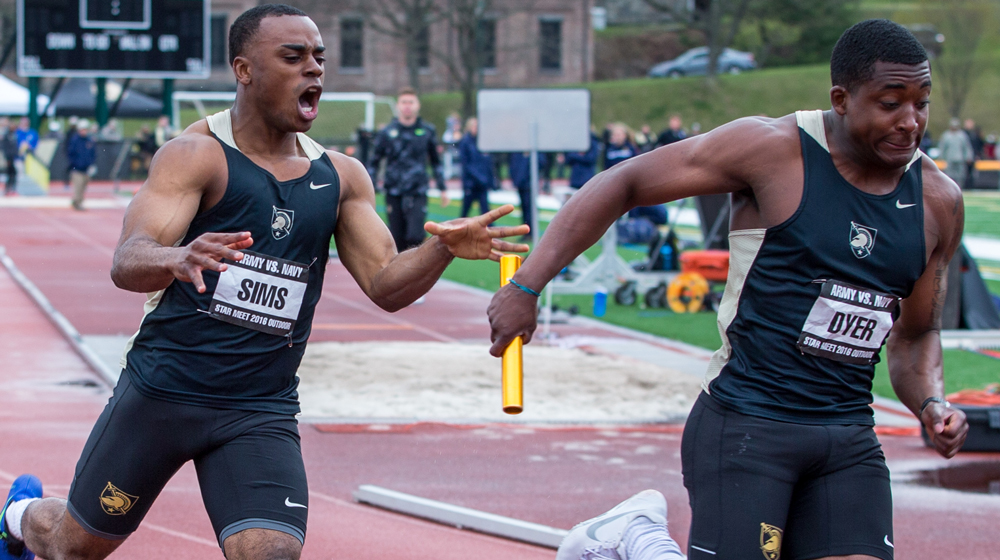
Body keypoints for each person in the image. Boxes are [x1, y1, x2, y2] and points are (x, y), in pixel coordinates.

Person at [0, 5, 528, 560]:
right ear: (244, 69)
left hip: (259, 408)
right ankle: (16, 517)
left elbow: (386, 285)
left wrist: (440, 248)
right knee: (74, 547)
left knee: (272, 555)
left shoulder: (341, 177)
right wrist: (177, 256)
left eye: (319, 59)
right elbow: (127, 260)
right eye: (294, 57)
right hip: (163, 394)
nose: (314, 71)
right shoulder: (195, 157)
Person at [489, 19, 968, 560]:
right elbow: (624, 182)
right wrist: (527, 287)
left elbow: (918, 331)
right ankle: (633, 541)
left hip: (847, 434)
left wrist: (930, 402)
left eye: (921, 103)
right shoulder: (772, 150)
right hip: (747, 425)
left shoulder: (937, 202)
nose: (911, 122)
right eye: (890, 103)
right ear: (841, 98)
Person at [367, 87, 450, 253]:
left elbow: (435, 161)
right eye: (404, 102)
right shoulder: (387, 132)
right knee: (396, 237)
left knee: (415, 236)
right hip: (394, 190)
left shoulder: (427, 131)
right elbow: (374, 161)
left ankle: (415, 275)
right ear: (398, 105)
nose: (407, 106)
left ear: (417, 105)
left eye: (411, 102)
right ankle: (398, 276)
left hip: (417, 190)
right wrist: (371, 186)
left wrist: (442, 188)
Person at [457, 117, 494, 217]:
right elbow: (466, 164)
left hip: (482, 184)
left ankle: (489, 231)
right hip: (471, 183)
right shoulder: (465, 142)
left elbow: (487, 162)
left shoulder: (482, 142)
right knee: (465, 211)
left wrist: (490, 179)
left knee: (486, 212)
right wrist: (479, 177)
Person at [508, 151, 547, 236]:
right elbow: (513, 165)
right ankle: (526, 232)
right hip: (520, 183)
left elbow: (542, 162)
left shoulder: (534, 149)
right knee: (524, 208)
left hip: (530, 183)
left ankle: (530, 232)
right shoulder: (517, 151)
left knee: (530, 208)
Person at [67, 119, 97, 210]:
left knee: (83, 187)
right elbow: (70, 153)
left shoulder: (90, 141)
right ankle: (78, 202)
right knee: (78, 186)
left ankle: (77, 201)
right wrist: (74, 164)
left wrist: (91, 164)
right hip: (77, 169)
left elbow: (93, 154)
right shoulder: (75, 140)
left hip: (86, 168)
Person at [937, 117, 973, 189]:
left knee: (961, 175)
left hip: (960, 159)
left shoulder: (962, 135)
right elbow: (942, 147)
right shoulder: (946, 135)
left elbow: (966, 147)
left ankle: (959, 188)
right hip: (949, 159)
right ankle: (950, 189)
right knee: (949, 175)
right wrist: (941, 157)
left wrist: (968, 157)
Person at [1, 121, 18, 196]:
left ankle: (11, 188)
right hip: (8, 157)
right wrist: (6, 157)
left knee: (13, 173)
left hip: (13, 157)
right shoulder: (6, 136)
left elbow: (15, 146)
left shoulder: (14, 135)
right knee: (10, 173)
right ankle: (8, 188)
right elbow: (4, 147)